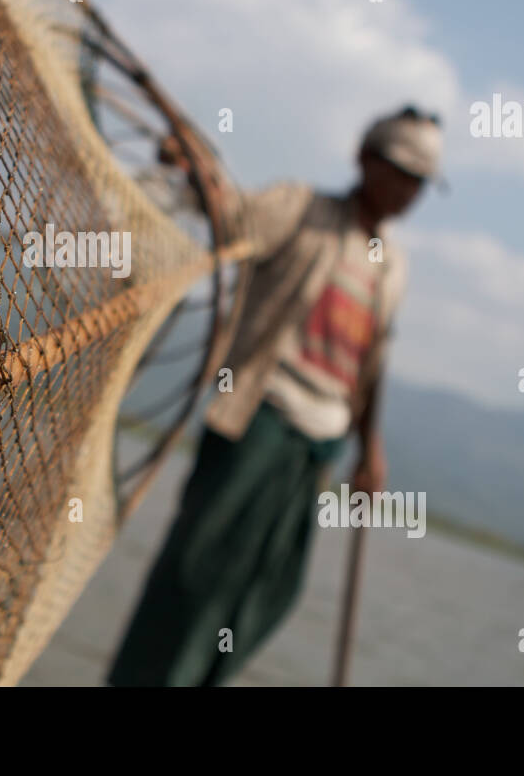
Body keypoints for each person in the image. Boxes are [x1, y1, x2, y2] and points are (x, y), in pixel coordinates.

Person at [107, 105, 443, 686]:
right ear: (365, 159)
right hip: (258, 418)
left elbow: (371, 366)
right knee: (198, 570)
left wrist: (370, 450)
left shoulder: (392, 265)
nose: (406, 190)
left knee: (268, 588)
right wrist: (192, 170)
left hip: (319, 445)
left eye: (419, 182)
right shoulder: (301, 208)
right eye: (399, 172)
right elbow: (229, 219)